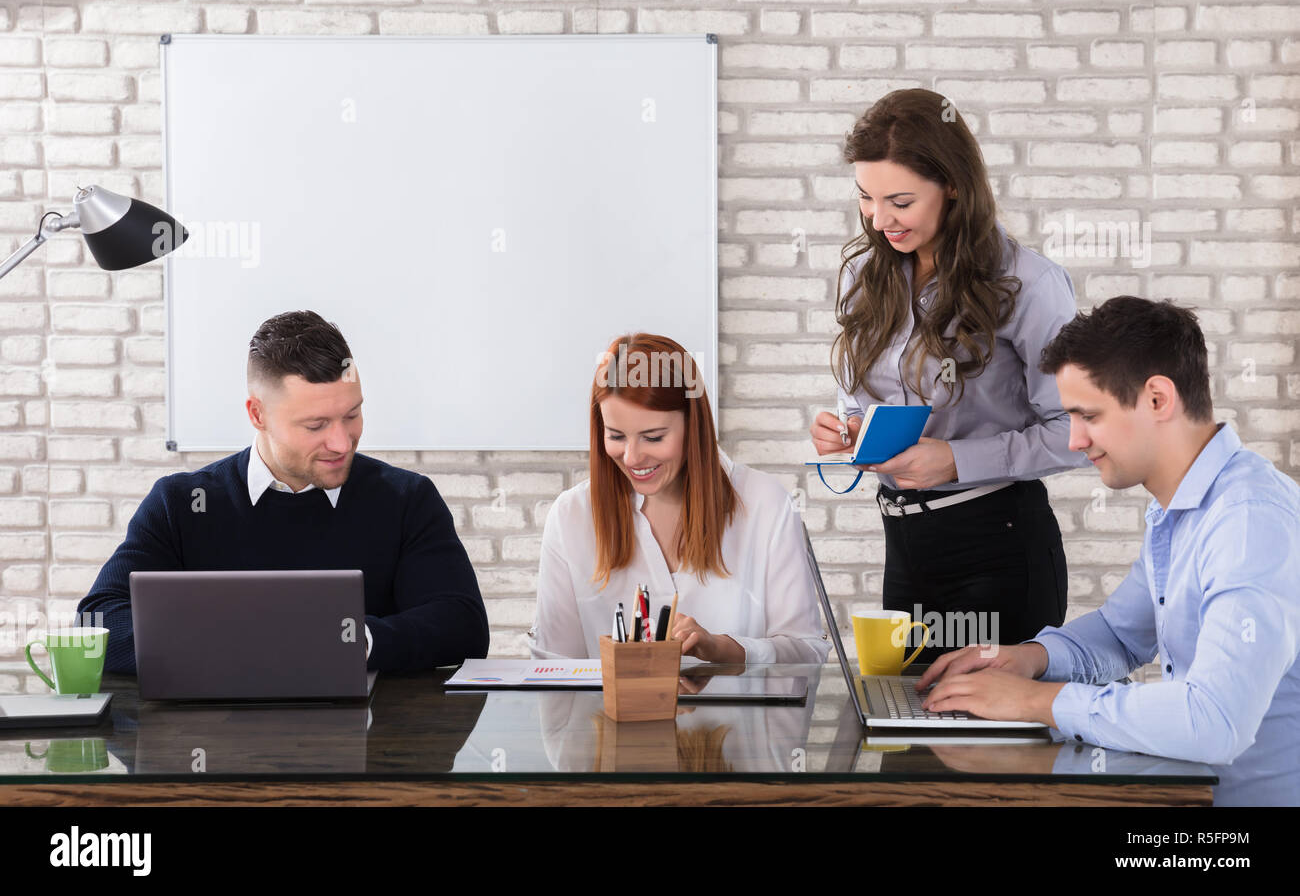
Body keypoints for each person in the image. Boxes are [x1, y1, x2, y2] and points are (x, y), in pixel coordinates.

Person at [918, 297, 1300, 807]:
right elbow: (1122, 634)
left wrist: (1037, 701)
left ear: (1158, 399)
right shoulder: (1180, 509)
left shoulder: (1248, 524)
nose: (1075, 440)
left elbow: (1214, 722)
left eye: (1088, 416)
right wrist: (1030, 659)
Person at [809, 87, 1088, 660]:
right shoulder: (864, 276)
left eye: (900, 201)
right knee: (901, 712)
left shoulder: (1029, 285)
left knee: (984, 717)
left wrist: (958, 460)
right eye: (866, 197)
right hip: (904, 545)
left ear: (954, 186)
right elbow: (860, 399)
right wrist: (850, 428)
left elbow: (1077, 431)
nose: (879, 219)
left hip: (998, 549)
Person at [77, 310, 489, 675]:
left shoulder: (406, 500)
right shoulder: (181, 505)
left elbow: (461, 625)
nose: (342, 442)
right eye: (316, 425)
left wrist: (351, 641)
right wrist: (249, 644)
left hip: (370, 734)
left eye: (352, 415)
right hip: (211, 734)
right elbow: (97, 622)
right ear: (258, 414)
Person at [528, 333, 830, 664]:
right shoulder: (571, 515)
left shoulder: (765, 503)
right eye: (616, 436)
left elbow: (806, 652)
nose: (631, 458)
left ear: (693, 425)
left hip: (737, 702)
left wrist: (722, 650)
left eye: (653, 437)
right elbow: (551, 667)